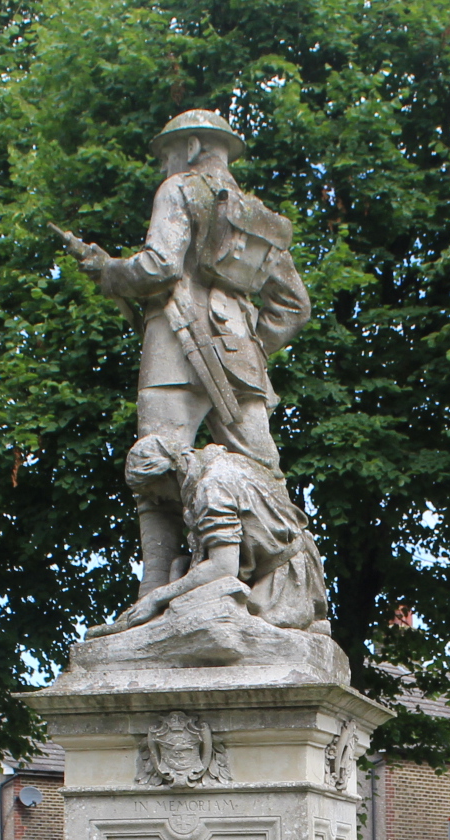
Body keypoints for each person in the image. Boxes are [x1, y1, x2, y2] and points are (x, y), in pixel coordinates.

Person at [58, 110, 312, 607]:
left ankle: (154, 585)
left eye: (167, 152)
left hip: (173, 350)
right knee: (265, 473)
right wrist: (251, 345)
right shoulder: (255, 216)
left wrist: (108, 270)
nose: (163, 164)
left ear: (193, 146)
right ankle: (286, 591)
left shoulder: (178, 189)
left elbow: (160, 265)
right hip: (240, 359)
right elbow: (295, 305)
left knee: (155, 465)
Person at [91, 435, 330, 636]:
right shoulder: (223, 461)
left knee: (187, 624)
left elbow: (223, 567)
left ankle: (138, 633)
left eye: (150, 490)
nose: (155, 500)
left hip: (280, 587)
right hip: (283, 570)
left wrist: (157, 597)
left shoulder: (211, 487)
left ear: (166, 473)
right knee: (179, 568)